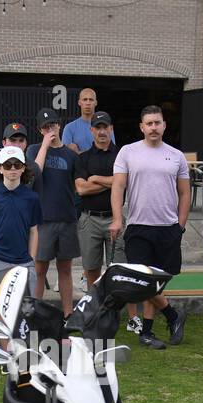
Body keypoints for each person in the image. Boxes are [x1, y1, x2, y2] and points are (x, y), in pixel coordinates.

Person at [109, 105, 192, 350]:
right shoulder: (127, 152)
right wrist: (117, 218)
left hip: (167, 228)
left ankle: (146, 332)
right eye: (149, 123)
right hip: (138, 227)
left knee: (155, 282)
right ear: (142, 127)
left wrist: (181, 225)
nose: (153, 127)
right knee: (142, 281)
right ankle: (173, 315)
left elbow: (185, 193)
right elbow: (118, 187)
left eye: (157, 122)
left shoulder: (176, 156)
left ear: (164, 125)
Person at [0, 146, 41, 342]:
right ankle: (5, 356)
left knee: (25, 310)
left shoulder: (32, 197)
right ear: (0, 168)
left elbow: (34, 230)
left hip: (23, 261)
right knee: (0, 309)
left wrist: (32, 258)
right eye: (8, 165)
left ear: (23, 168)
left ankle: (22, 352)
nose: (12, 168)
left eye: (17, 165)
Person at [27, 108, 81, 316]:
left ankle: (68, 314)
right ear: (40, 130)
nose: (51, 129)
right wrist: (45, 145)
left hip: (67, 218)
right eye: (46, 126)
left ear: (60, 125)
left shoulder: (71, 155)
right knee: (39, 270)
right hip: (43, 220)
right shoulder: (34, 150)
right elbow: (34, 172)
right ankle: (36, 314)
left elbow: (77, 185)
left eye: (54, 125)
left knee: (65, 269)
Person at [73, 111, 120, 291]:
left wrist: (96, 178)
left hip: (113, 218)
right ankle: (96, 306)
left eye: (105, 127)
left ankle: (112, 310)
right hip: (89, 220)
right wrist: (113, 182)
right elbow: (82, 189)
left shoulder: (121, 155)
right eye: (98, 127)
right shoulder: (83, 158)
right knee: (91, 268)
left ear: (111, 129)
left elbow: (124, 182)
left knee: (116, 269)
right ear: (91, 130)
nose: (102, 131)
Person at [62, 88, 116, 154]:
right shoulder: (69, 128)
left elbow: (110, 152)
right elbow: (66, 155)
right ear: (79, 102)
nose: (88, 103)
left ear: (96, 102)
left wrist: (78, 152)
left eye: (91, 100)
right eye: (85, 99)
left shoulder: (106, 127)